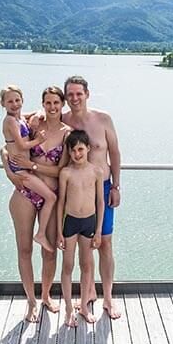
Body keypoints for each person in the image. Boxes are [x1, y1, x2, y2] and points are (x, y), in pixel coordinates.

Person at [1, 86, 69, 322]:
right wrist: (9, 170)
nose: (51, 108)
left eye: (56, 103)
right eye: (47, 103)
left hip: (50, 192)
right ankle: (30, 301)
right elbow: (7, 145)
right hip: (25, 192)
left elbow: (61, 170)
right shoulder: (33, 123)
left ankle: (46, 296)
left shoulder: (67, 133)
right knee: (25, 249)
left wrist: (33, 167)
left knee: (49, 252)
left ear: (62, 105)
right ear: (42, 104)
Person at [61, 75, 122, 319]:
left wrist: (116, 186)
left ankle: (108, 298)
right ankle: (88, 292)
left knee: (105, 243)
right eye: (70, 94)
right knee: (82, 247)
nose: (75, 98)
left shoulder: (103, 119)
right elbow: (40, 118)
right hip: (76, 192)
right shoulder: (63, 121)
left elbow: (115, 153)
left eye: (79, 93)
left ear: (87, 94)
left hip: (103, 189)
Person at [0, 85, 58, 252]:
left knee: (50, 197)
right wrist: (38, 140)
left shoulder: (19, 119)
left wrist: (38, 115)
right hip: (21, 170)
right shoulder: (10, 121)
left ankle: (40, 234)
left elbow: (37, 112)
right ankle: (40, 234)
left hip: (24, 169)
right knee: (51, 197)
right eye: (10, 101)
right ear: (3, 104)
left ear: (22, 100)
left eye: (17, 100)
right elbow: (21, 144)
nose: (14, 104)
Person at [57, 131, 104, 327]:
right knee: (68, 266)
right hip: (71, 223)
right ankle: (69, 309)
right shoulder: (66, 173)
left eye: (80, 149)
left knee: (87, 265)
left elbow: (100, 202)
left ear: (88, 149)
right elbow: (60, 203)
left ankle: (84, 306)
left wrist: (99, 230)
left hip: (89, 222)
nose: (77, 154)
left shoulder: (96, 172)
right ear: (69, 151)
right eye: (73, 150)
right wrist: (59, 231)